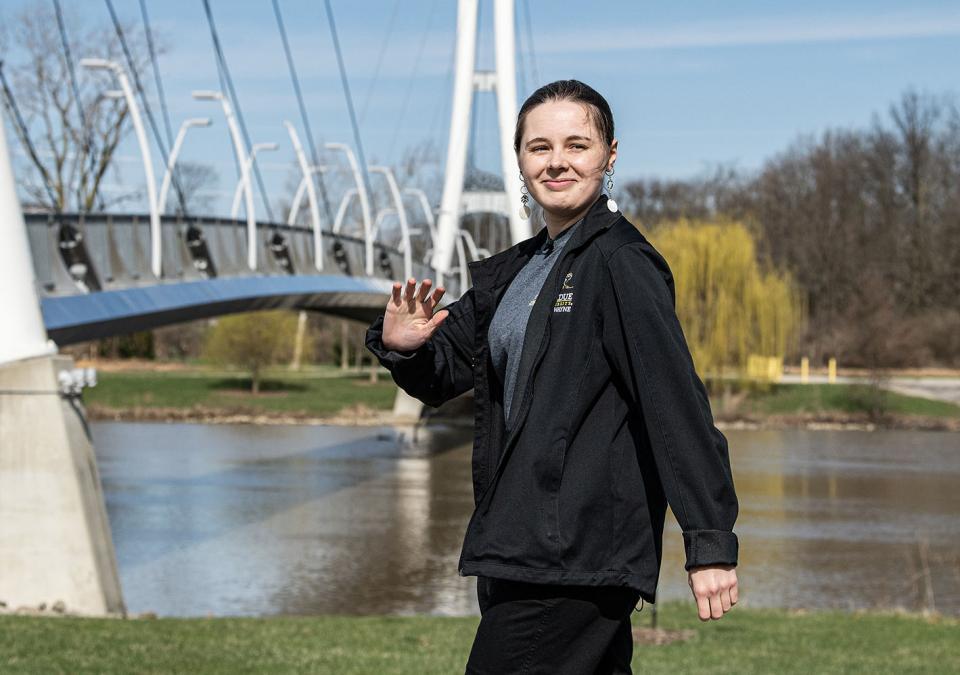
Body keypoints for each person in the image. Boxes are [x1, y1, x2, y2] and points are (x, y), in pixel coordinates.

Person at [366, 79, 739, 674]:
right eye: (539, 147)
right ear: (519, 160)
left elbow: (674, 405)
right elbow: (441, 375)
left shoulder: (621, 263)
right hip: (519, 547)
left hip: (571, 556)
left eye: (577, 144)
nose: (557, 161)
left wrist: (710, 540)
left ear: (609, 155)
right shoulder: (516, 271)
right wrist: (401, 346)